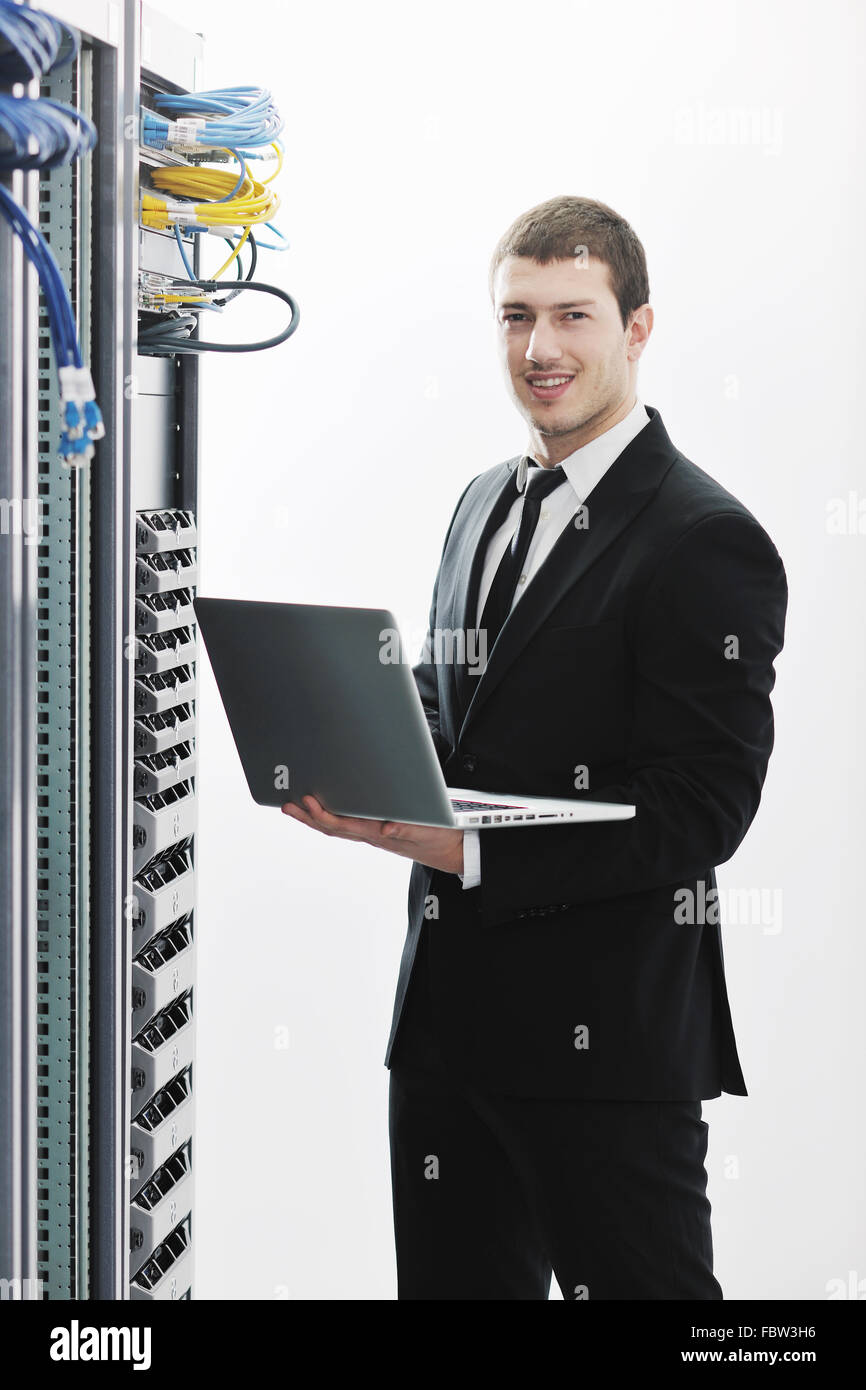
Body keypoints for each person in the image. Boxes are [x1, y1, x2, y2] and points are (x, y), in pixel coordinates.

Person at [282, 194, 788, 1300]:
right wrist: (359, 751)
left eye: (572, 315)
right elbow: (452, 700)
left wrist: (464, 849)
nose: (538, 348)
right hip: (445, 1038)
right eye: (515, 316)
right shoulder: (481, 501)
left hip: (602, 1055)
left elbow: (700, 806)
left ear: (636, 327)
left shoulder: (704, 539)